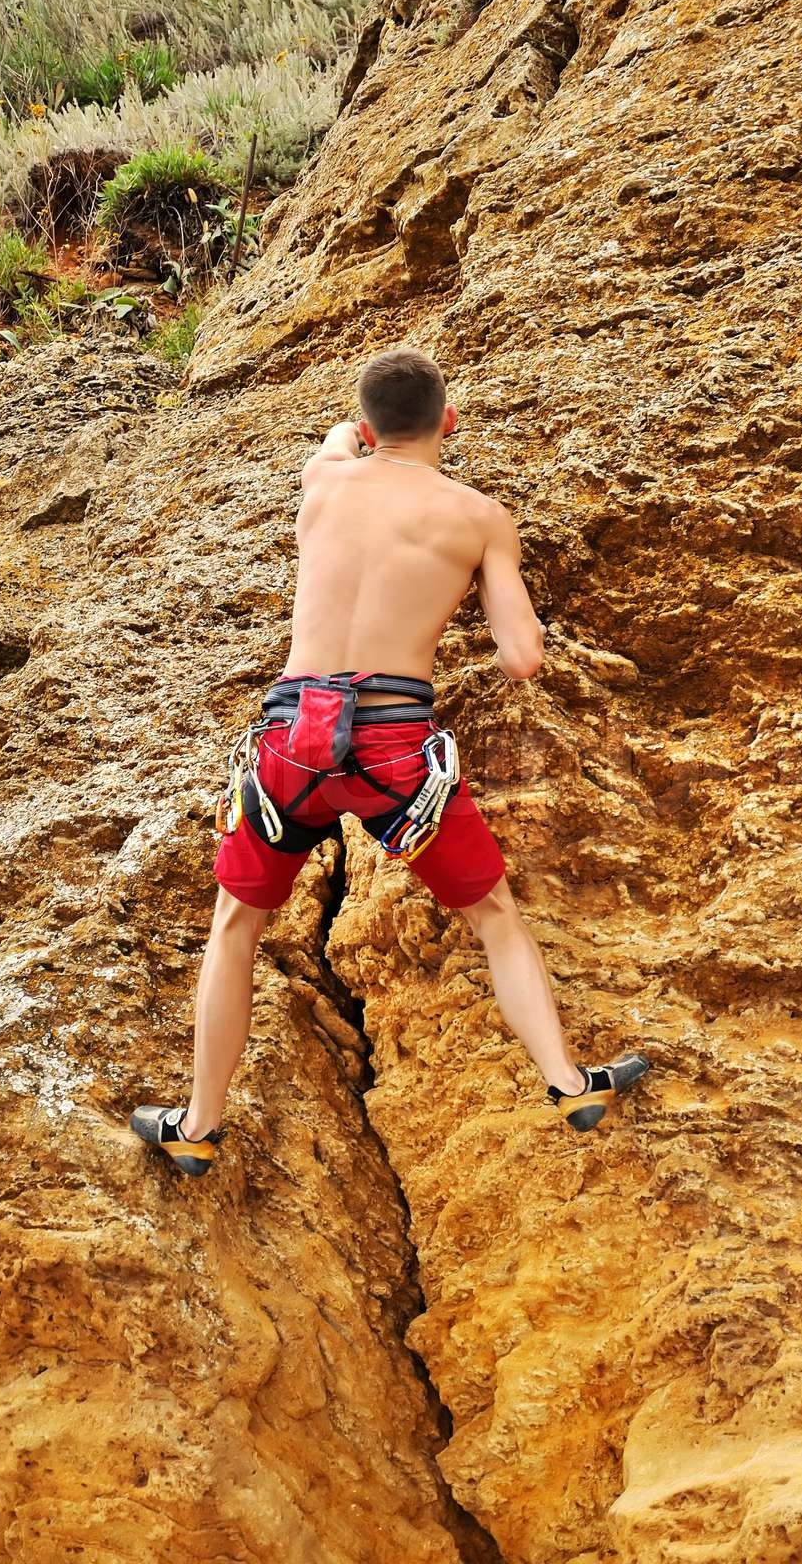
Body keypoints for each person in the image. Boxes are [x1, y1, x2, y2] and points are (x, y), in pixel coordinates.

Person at [131, 347, 649, 1176]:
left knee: (234, 928)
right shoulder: (478, 516)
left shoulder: (325, 480)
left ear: (370, 427)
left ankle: (196, 1125)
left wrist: (356, 435)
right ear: (450, 420)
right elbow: (521, 658)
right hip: (395, 751)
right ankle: (566, 1081)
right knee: (494, 918)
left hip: (292, 743)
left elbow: (338, 440)